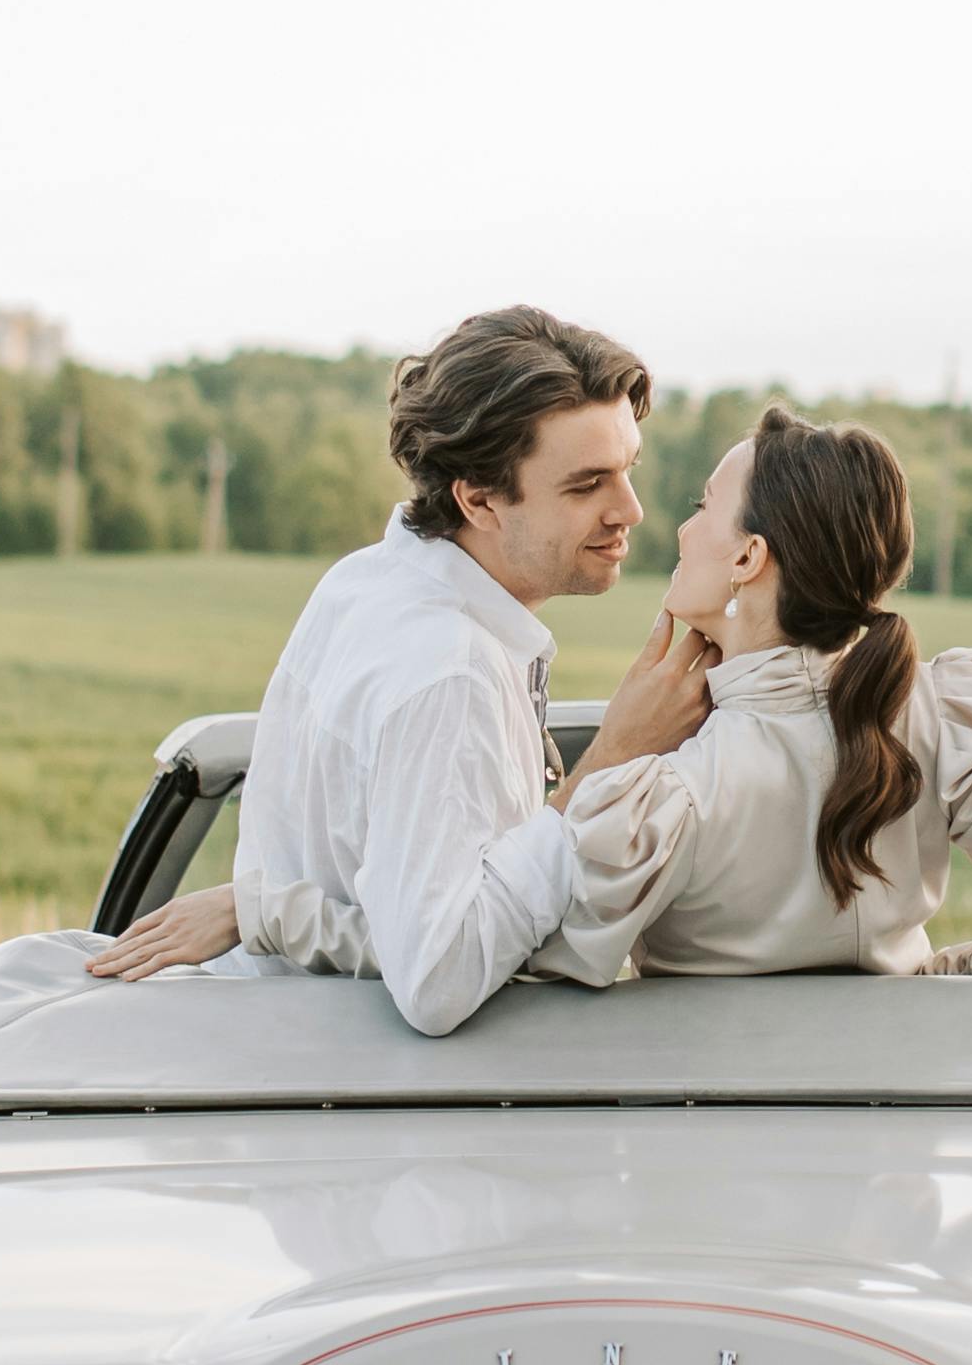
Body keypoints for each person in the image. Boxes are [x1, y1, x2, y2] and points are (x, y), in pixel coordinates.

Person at [88, 303, 710, 1032]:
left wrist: (262, 911)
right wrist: (613, 758)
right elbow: (438, 978)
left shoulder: (364, 580)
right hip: (359, 1086)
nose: (629, 510)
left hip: (288, 1037)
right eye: (586, 485)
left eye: (627, 470)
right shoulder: (447, 674)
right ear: (477, 499)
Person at [537, 402, 972, 984]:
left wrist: (616, 749)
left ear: (748, 557)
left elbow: (528, 962)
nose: (683, 531)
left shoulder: (676, 789)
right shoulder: (948, 722)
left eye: (703, 506)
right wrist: (931, 979)